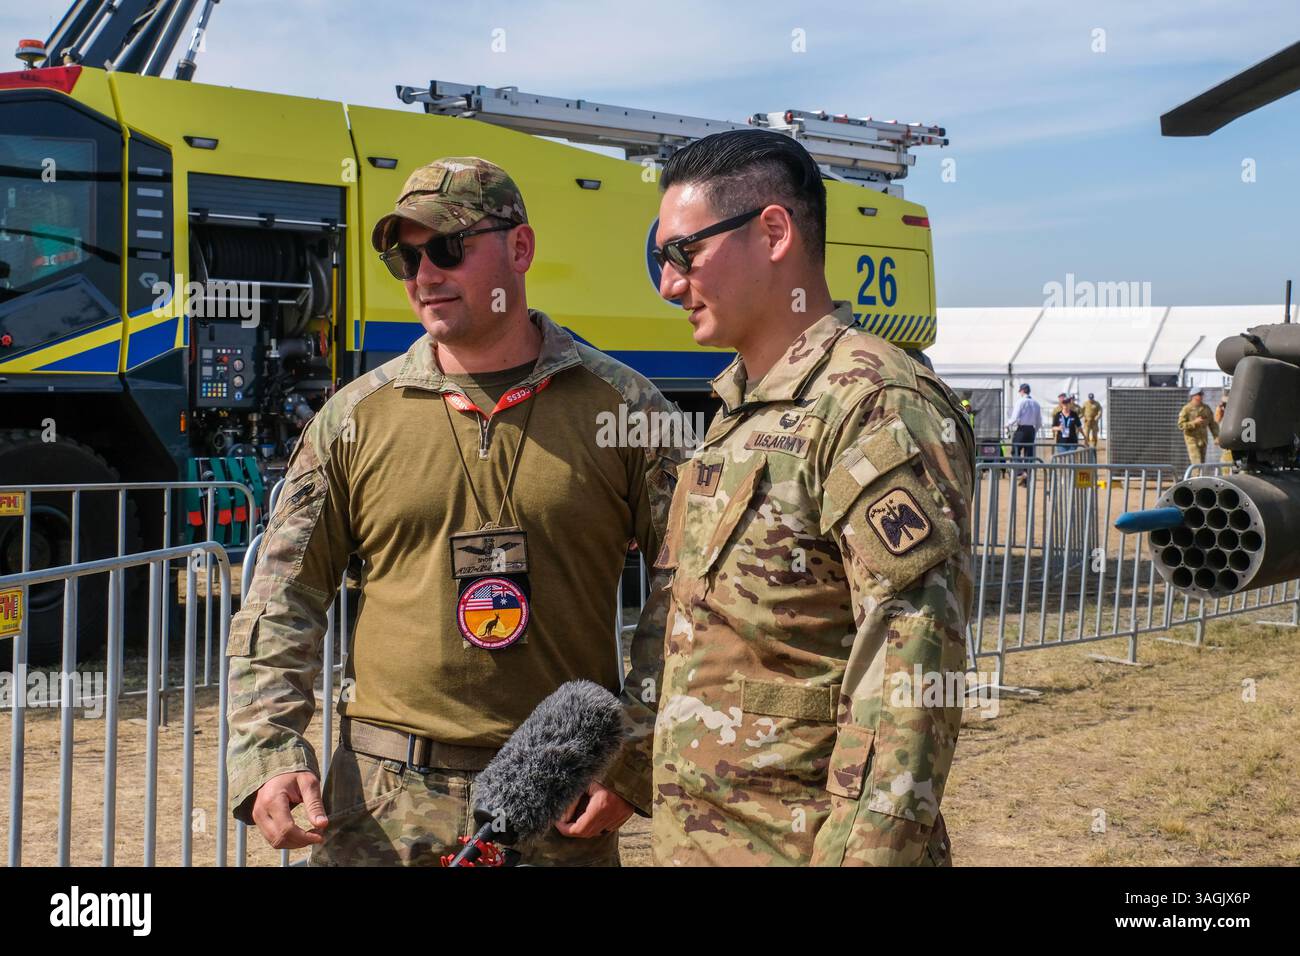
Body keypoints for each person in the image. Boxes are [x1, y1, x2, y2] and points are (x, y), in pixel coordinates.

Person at [225, 157, 687, 866]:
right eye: (405, 259)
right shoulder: (355, 418)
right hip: (379, 805)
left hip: (557, 804)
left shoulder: (626, 411)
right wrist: (268, 749)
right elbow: (283, 596)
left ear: (521, 248)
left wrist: (636, 754)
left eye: (447, 249)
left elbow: (689, 595)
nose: (423, 276)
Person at [648, 129, 975, 866]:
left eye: (682, 254)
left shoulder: (874, 402)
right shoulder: (743, 409)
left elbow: (912, 681)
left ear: (772, 231)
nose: (670, 284)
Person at [1006, 383, 1041, 485]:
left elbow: (1014, 417)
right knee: (1028, 454)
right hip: (1031, 430)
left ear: (1022, 391)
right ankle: (1026, 474)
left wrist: (1007, 425)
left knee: (1015, 449)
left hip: (1021, 429)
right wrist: (1035, 431)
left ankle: (1020, 471)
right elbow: (1039, 422)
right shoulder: (1036, 403)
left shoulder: (1020, 402)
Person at [1178, 386, 1219, 465]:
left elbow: (1212, 424)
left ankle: (1200, 477)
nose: (1202, 396)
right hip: (1192, 440)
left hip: (1203, 441)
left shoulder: (1206, 408)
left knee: (1202, 464)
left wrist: (1216, 437)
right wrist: (1194, 422)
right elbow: (1181, 425)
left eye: (1202, 394)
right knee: (1197, 464)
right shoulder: (1187, 409)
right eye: (1199, 394)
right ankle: (1196, 476)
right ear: (1193, 396)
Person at [1214, 389, 1232, 463]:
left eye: (1225, 404)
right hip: (1226, 447)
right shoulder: (1222, 411)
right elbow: (1217, 420)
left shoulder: (1233, 413)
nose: (1223, 406)